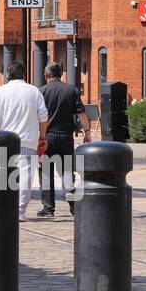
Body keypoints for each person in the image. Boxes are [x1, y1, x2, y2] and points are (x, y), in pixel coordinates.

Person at [0, 61, 48, 221]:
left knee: (2, 174)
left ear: (8, 74)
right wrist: (42, 136)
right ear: (24, 74)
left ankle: (0, 208)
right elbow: (43, 117)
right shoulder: (34, 92)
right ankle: (19, 211)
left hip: (4, 140)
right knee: (25, 176)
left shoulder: (0, 91)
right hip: (28, 140)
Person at [35, 61, 87, 218]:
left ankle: (48, 208)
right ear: (61, 74)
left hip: (46, 137)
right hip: (66, 137)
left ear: (46, 75)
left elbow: (36, 116)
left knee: (45, 172)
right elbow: (82, 113)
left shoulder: (41, 91)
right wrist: (88, 132)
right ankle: (73, 205)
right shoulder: (72, 90)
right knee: (66, 172)